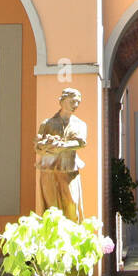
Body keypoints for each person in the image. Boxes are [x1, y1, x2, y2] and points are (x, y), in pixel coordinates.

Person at [34, 88, 87, 221]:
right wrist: (44, 146)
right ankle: (52, 239)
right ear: (62, 101)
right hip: (49, 169)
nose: (75, 105)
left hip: (69, 168)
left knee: (72, 204)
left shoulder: (79, 124)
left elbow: (81, 142)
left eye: (78, 103)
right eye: (72, 101)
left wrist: (62, 146)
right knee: (51, 210)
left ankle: (74, 239)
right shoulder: (47, 124)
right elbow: (38, 148)